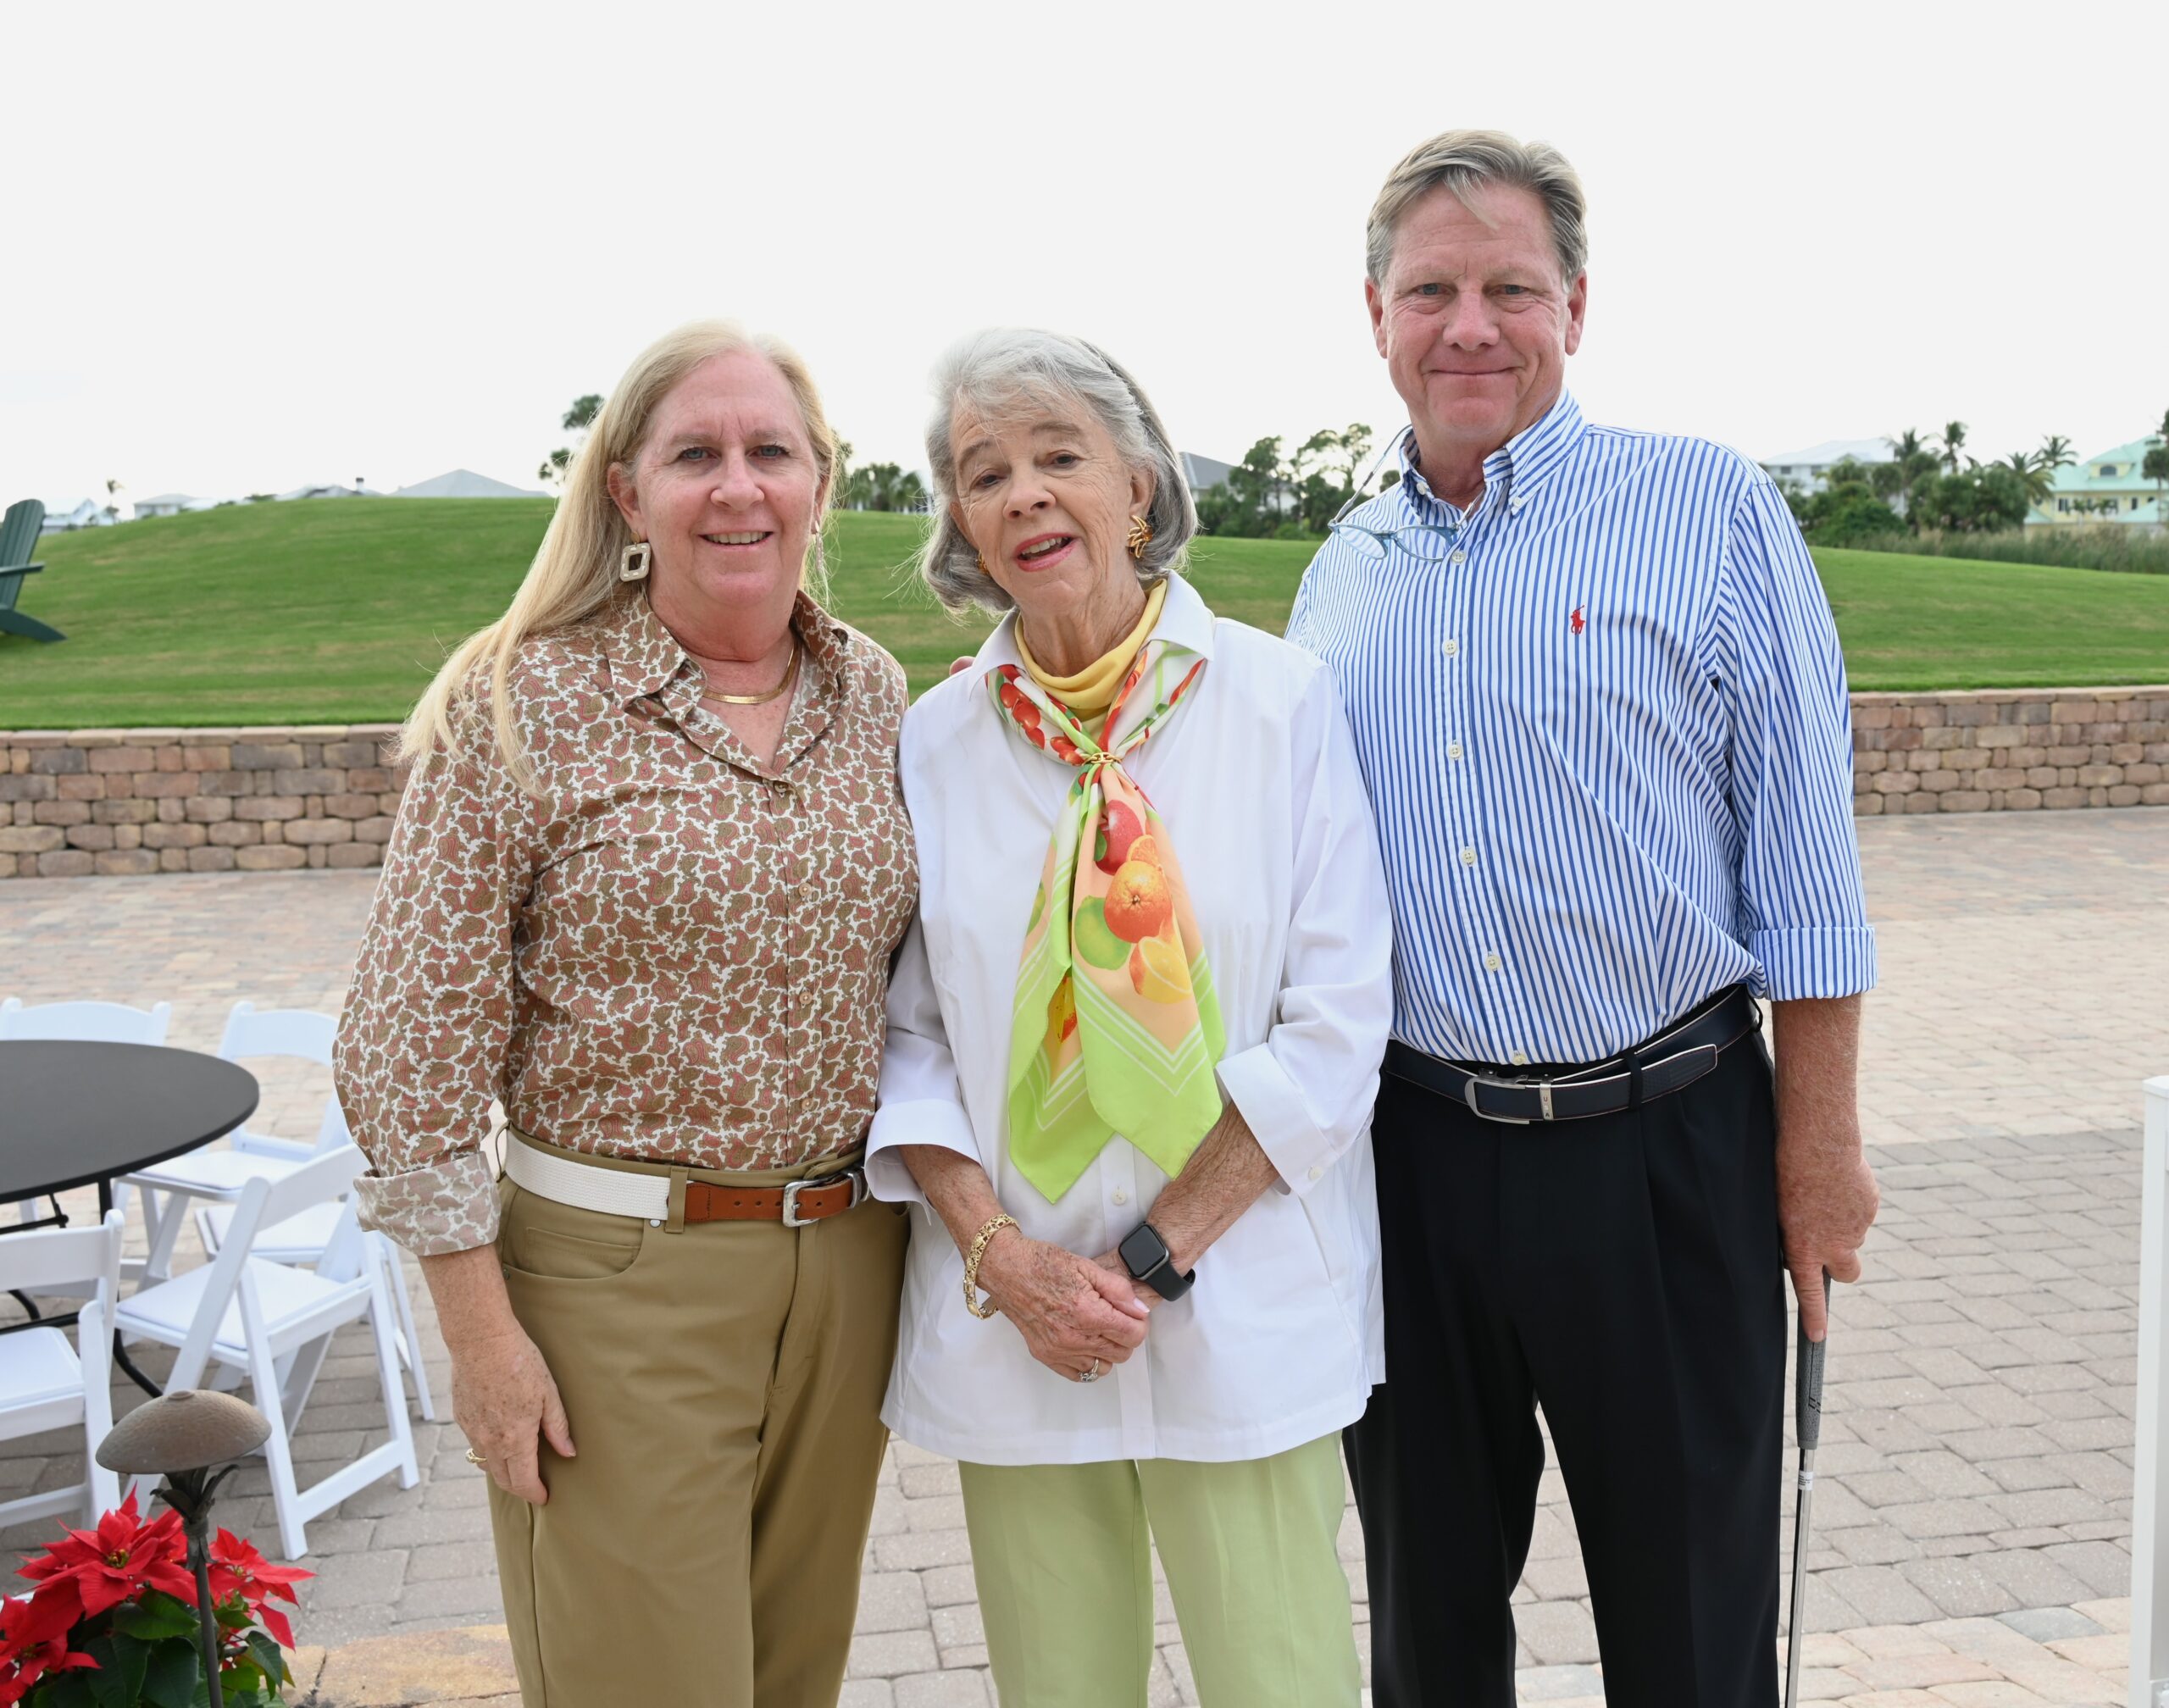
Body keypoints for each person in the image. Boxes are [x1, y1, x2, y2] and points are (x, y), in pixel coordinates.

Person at [1288, 130, 1881, 1708]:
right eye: (1432, 289)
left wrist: (1817, 1159)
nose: (1469, 324)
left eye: (1509, 287)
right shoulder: (1340, 576)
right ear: (1375, 315)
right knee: (1427, 1629)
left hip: (1666, 1151)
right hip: (1409, 1158)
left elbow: (1807, 866)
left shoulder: (1707, 508)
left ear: (1576, 305)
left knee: (1692, 1635)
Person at [333, 320, 918, 1707]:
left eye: (771, 451)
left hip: (850, 1267)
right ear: (625, 492)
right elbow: (408, 1050)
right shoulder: (520, 701)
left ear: (820, 483)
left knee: (791, 1681)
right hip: (614, 1286)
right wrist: (479, 1341)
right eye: (693, 455)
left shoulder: (879, 697)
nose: (738, 487)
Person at [867, 328, 1393, 1708]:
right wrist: (1006, 1262)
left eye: (1061, 457)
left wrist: (1158, 1255)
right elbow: (908, 1039)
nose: (1027, 494)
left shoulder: (1282, 702)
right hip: (1017, 1322)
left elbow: (1338, 1024)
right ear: (965, 528)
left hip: (1245, 1297)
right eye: (987, 474)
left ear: (1140, 490)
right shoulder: (935, 741)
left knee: (1283, 1681)